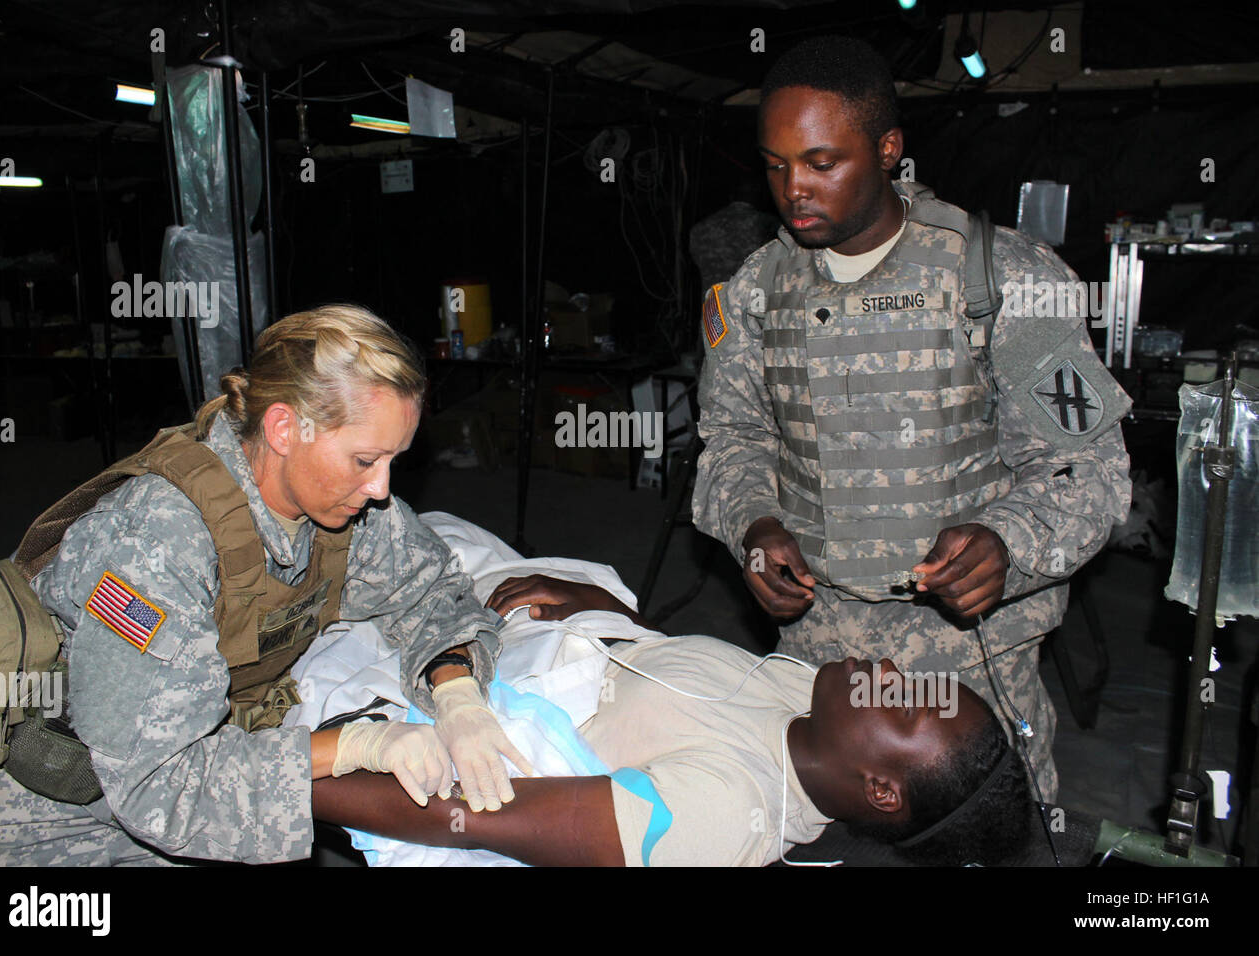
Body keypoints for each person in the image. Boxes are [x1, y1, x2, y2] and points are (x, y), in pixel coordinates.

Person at [691, 36, 1133, 803]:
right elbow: (733, 438)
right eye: (774, 164)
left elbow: (1089, 467)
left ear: (889, 148)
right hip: (818, 660)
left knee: (998, 838)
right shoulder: (755, 292)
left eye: (822, 162)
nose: (793, 188)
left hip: (970, 660)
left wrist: (1009, 542)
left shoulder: (1003, 278)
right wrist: (755, 529)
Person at [0, 304, 532, 866]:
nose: (382, 488)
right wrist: (355, 747)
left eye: (391, 460)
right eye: (364, 459)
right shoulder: (153, 544)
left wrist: (456, 691)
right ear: (285, 427)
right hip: (50, 810)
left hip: (180, 772)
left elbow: (433, 587)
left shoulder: (345, 508)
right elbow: (158, 784)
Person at [311, 573, 1036, 867]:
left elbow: (461, 815)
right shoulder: (806, 702)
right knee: (417, 539)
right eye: (909, 679)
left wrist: (281, 778)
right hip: (560, 644)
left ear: (880, 789)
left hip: (490, 715)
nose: (885, 672)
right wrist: (601, 608)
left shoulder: (727, 808)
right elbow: (685, 678)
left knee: (314, 612)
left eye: (901, 703)